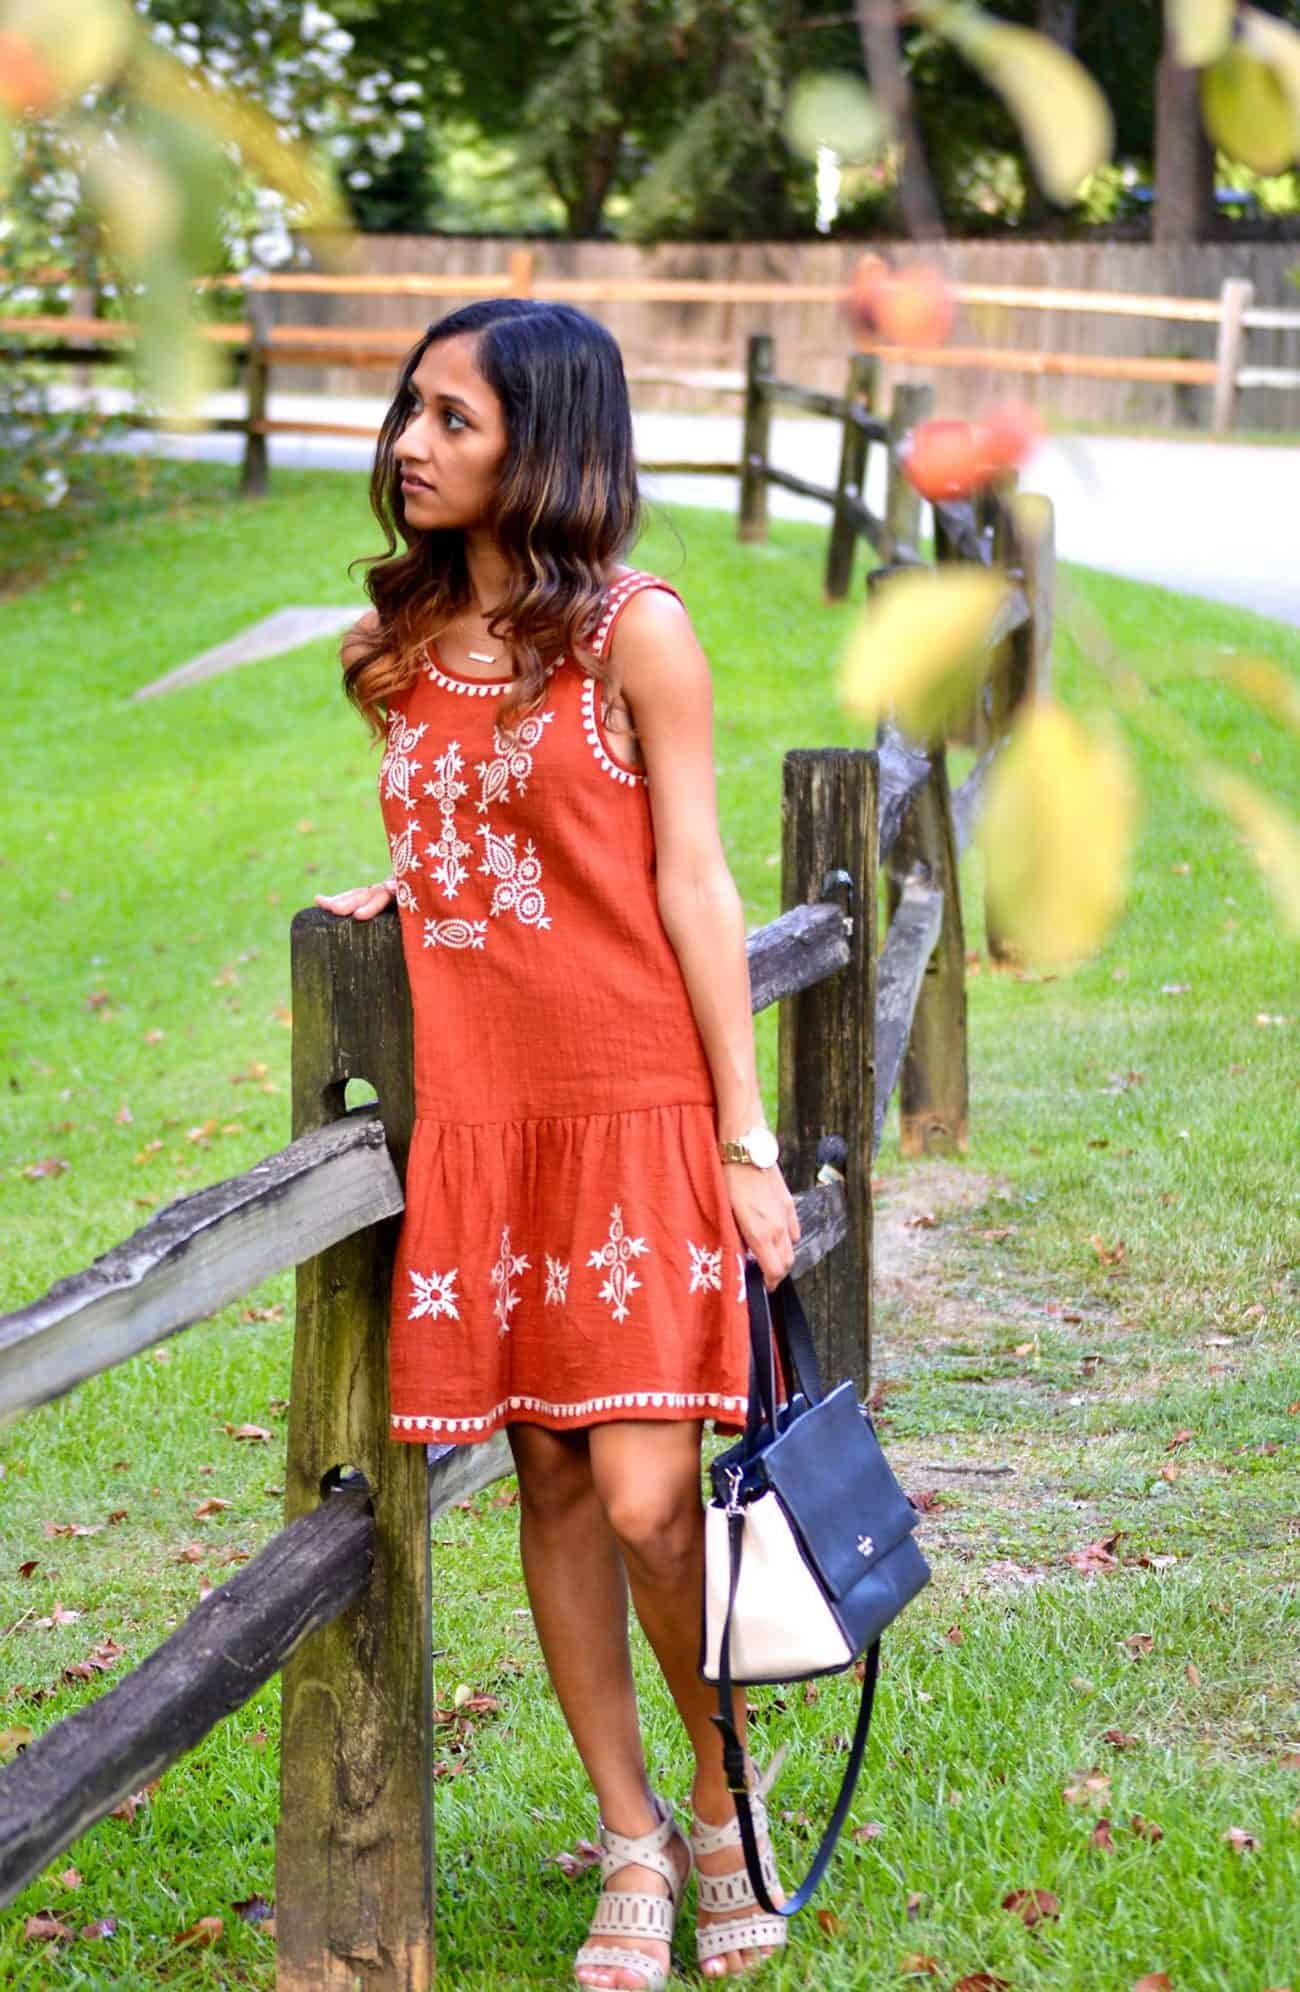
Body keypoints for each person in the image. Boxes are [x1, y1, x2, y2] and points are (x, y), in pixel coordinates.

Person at [316, 297, 801, 1990]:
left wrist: (746, 1144)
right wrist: (406, 894)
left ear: (551, 438)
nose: (411, 445)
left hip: (633, 1115)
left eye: (454, 418)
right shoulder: (399, 652)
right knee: (544, 1478)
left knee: (656, 1495)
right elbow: (463, 836)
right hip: (486, 1121)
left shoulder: (635, 637)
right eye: (411, 412)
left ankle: (727, 1805)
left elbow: (693, 882)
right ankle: (632, 1840)